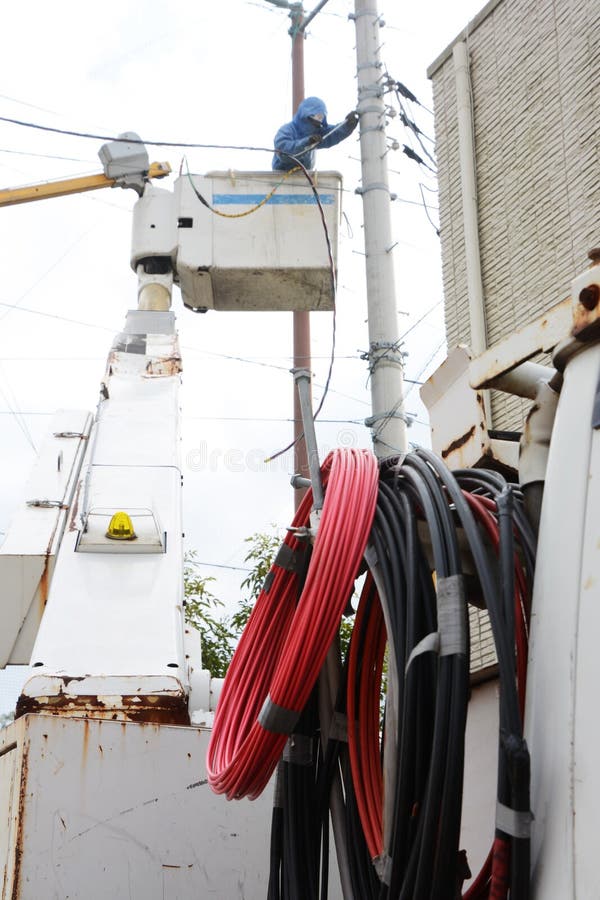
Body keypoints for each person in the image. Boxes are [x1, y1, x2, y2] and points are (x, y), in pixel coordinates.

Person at [272, 96, 359, 172]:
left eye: (319, 121)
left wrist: (347, 125)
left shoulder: (316, 132)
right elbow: (283, 151)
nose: (316, 125)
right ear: (305, 116)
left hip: (305, 177)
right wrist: (307, 142)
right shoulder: (288, 129)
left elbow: (332, 133)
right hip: (280, 176)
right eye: (314, 120)